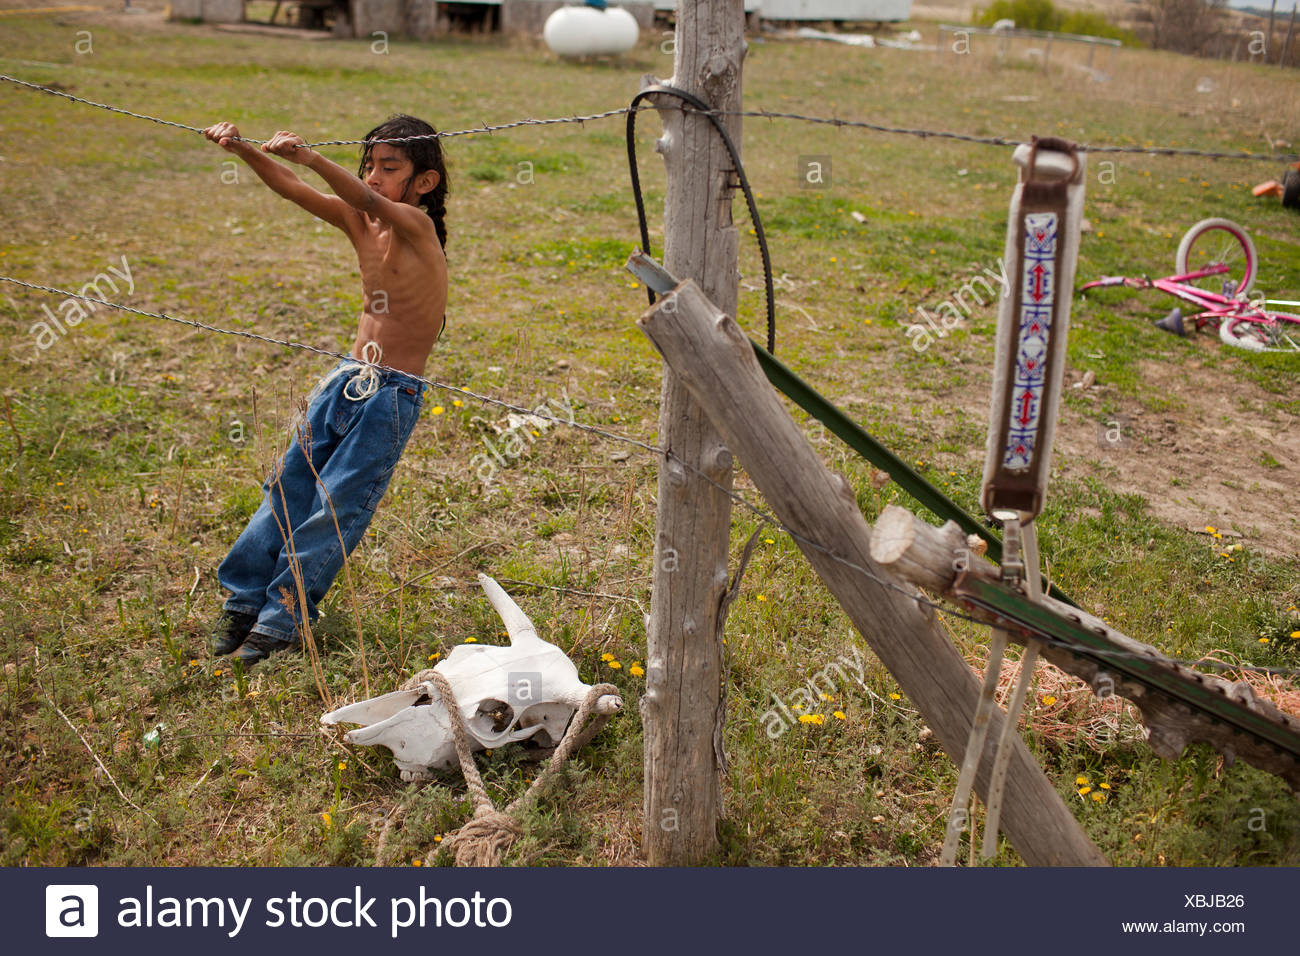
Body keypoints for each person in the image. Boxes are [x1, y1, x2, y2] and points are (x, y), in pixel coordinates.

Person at [203, 114, 449, 664]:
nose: (375, 176)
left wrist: (313, 156)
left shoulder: (414, 224)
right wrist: (243, 149)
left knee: (336, 505)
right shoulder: (360, 223)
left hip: (392, 393)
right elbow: (293, 188)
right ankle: (243, 604)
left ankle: (282, 619)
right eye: (371, 165)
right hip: (345, 379)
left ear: (423, 182)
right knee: (288, 486)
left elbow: (366, 197)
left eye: (390, 167)